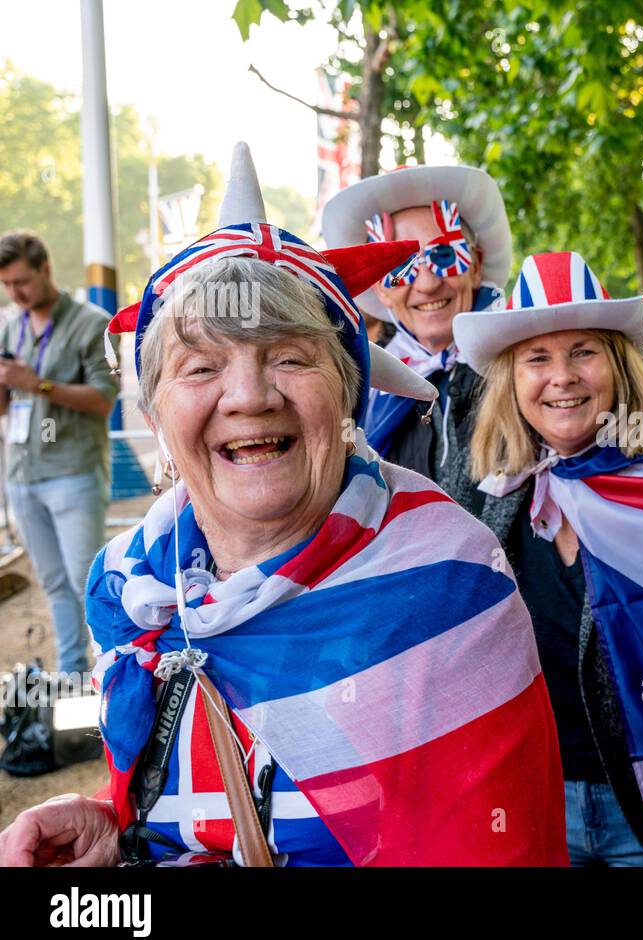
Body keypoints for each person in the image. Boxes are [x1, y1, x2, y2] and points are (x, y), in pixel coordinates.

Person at [0, 145, 567, 868]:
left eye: (291, 357)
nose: (249, 395)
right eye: (201, 366)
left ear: (348, 392)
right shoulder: (130, 585)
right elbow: (199, 810)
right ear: (159, 412)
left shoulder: (451, 587)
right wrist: (117, 832)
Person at [455, 251, 643, 865]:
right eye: (537, 358)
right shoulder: (493, 493)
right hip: (535, 801)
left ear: (618, 364)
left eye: (583, 351)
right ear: (510, 379)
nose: (562, 376)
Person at [321, 164, 513, 512]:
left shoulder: (524, 370)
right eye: (403, 267)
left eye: (443, 257)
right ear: (381, 288)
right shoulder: (358, 393)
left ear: (477, 265)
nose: (426, 285)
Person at [0, 230, 117, 678]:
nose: (15, 293)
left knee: (87, 582)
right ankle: (71, 676)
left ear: (46, 268)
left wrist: (40, 384)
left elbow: (104, 399)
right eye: (7, 285)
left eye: (22, 282)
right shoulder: (11, 325)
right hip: (22, 474)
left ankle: (111, 673)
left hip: (73, 471)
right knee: (52, 583)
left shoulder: (92, 323)